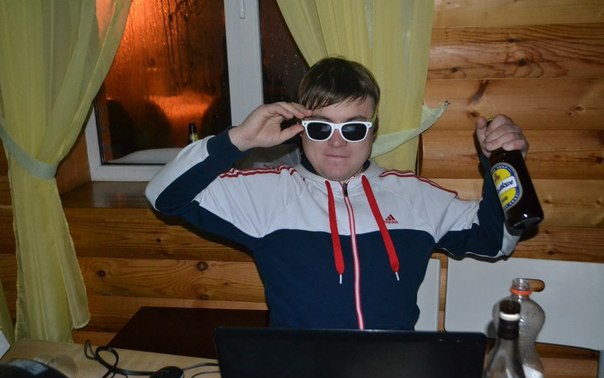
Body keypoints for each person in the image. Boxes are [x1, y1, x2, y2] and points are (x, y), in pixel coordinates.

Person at [145, 57, 527, 330]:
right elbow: (164, 194)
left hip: (391, 376)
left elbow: (497, 240)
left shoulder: (413, 196)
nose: (337, 143)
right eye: (321, 127)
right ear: (301, 129)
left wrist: (503, 164)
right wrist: (239, 139)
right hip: (297, 377)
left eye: (354, 128)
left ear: (373, 132)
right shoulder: (267, 195)